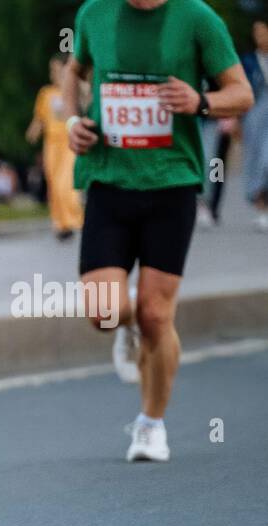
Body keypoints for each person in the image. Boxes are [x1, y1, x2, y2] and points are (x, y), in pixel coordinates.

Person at [64, 0, 253, 463]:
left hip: (171, 184)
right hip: (109, 180)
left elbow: (242, 92)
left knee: (155, 314)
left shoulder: (198, 19)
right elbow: (74, 72)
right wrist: (73, 120)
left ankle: (150, 425)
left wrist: (202, 101)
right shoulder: (95, 14)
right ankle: (126, 332)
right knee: (104, 313)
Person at [27, 57, 84, 241]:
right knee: (53, 182)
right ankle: (60, 224)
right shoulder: (46, 93)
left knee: (65, 182)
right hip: (51, 144)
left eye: (57, 69)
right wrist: (33, 132)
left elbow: (85, 103)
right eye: (52, 70)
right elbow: (40, 118)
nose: (53, 74)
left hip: (68, 142)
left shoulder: (72, 90)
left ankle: (74, 219)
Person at [241, 19, 268, 232]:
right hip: (254, 118)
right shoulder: (249, 61)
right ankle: (207, 205)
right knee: (215, 162)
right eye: (257, 33)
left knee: (266, 161)